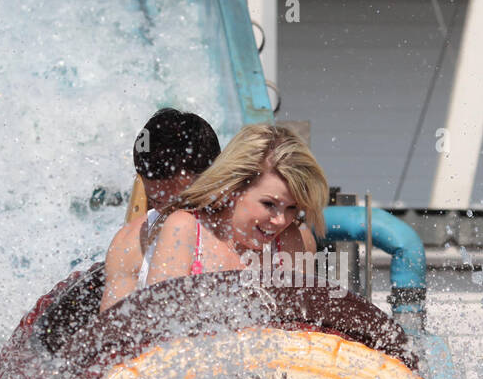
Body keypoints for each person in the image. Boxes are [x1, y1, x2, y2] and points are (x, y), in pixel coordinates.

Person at [143, 122, 327, 288]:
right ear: (234, 188)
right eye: (269, 204)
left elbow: (302, 317)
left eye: (291, 208)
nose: (281, 220)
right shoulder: (185, 228)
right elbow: (158, 317)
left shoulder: (287, 238)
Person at [99, 108, 221, 311]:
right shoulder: (130, 245)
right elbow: (111, 334)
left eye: (184, 202)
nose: (174, 214)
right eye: (156, 201)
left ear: (214, 176)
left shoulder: (254, 223)